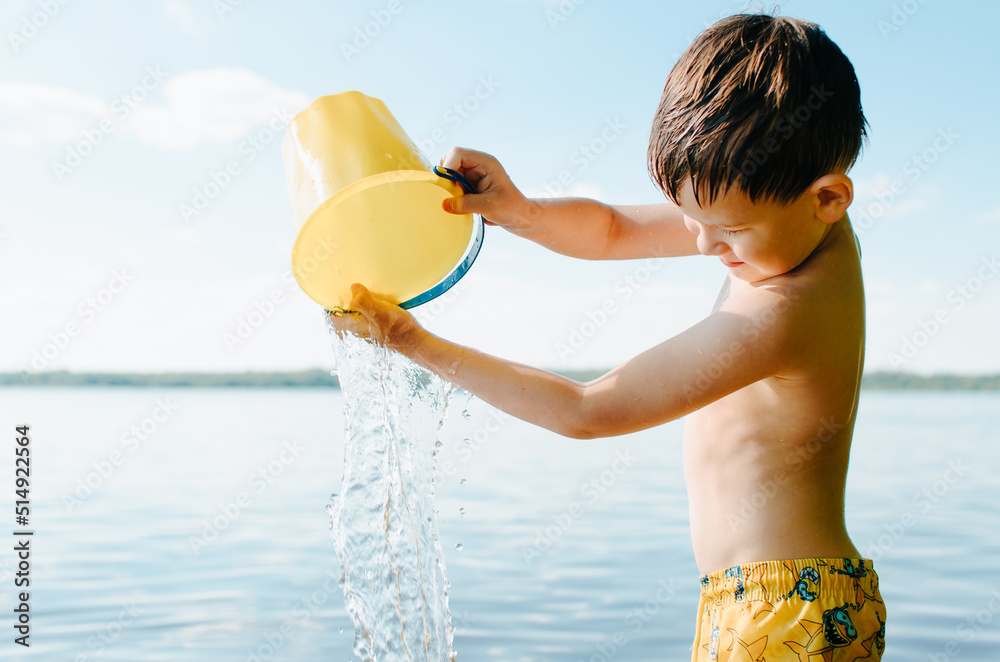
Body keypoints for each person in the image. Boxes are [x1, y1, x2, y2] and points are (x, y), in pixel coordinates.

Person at [331, 12, 886, 661]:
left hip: (783, 611)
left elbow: (590, 411)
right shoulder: (780, 223)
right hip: (782, 603)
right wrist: (522, 212)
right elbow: (616, 230)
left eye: (726, 230)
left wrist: (412, 342)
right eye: (690, 219)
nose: (704, 244)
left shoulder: (786, 309)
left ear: (829, 198)